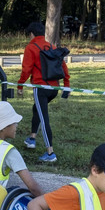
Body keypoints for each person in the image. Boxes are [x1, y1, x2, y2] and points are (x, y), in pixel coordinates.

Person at [19, 21, 66, 164]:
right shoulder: (51, 46)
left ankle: (50, 152)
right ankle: (32, 138)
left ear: (31, 34)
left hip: (40, 88)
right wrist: (66, 85)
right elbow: (63, 66)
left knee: (44, 119)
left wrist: (20, 85)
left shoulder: (31, 47)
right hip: (54, 88)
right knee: (37, 109)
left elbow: (26, 69)